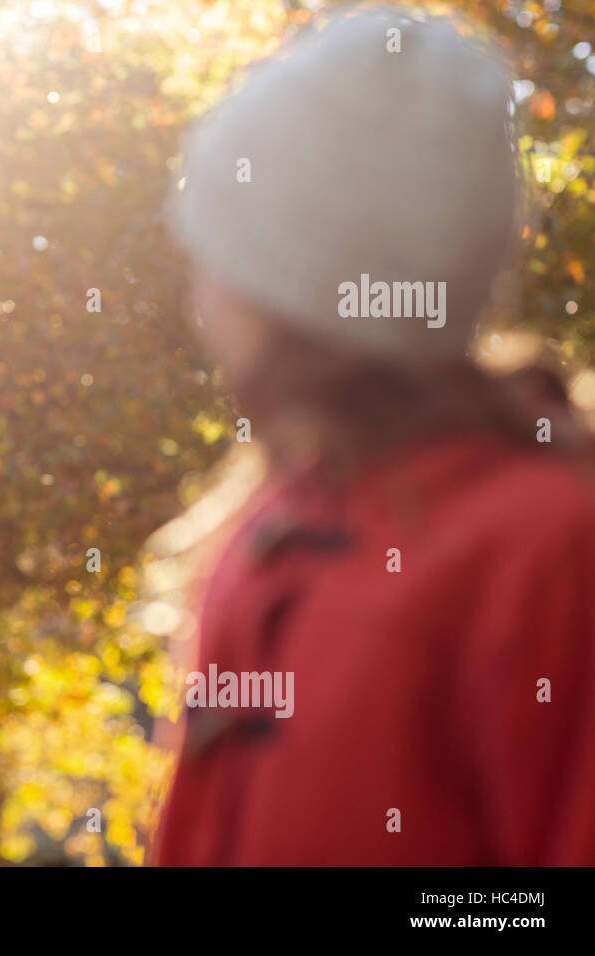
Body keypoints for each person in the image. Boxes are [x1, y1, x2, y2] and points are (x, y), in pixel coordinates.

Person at [152, 6, 595, 865]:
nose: (198, 297)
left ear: (286, 292)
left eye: (217, 257)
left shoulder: (547, 552)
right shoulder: (269, 527)